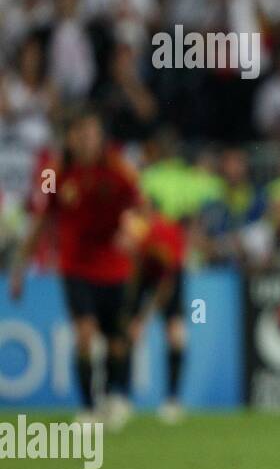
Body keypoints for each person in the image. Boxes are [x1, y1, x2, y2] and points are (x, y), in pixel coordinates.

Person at [9, 110, 142, 428]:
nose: (85, 139)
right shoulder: (54, 172)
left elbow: (141, 209)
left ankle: (113, 396)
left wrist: (131, 232)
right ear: (70, 137)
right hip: (75, 266)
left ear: (100, 136)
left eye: (91, 132)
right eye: (79, 132)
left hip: (114, 266)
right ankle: (87, 407)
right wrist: (19, 268)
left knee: (116, 341)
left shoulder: (118, 169)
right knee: (84, 334)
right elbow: (40, 220)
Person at [123, 195, 188, 424]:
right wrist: (136, 315)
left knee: (176, 335)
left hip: (169, 278)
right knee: (130, 334)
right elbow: (135, 272)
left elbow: (167, 282)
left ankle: (172, 401)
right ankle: (122, 398)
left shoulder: (165, 231)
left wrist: (148, 314)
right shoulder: (130, 230)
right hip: (143, 278)